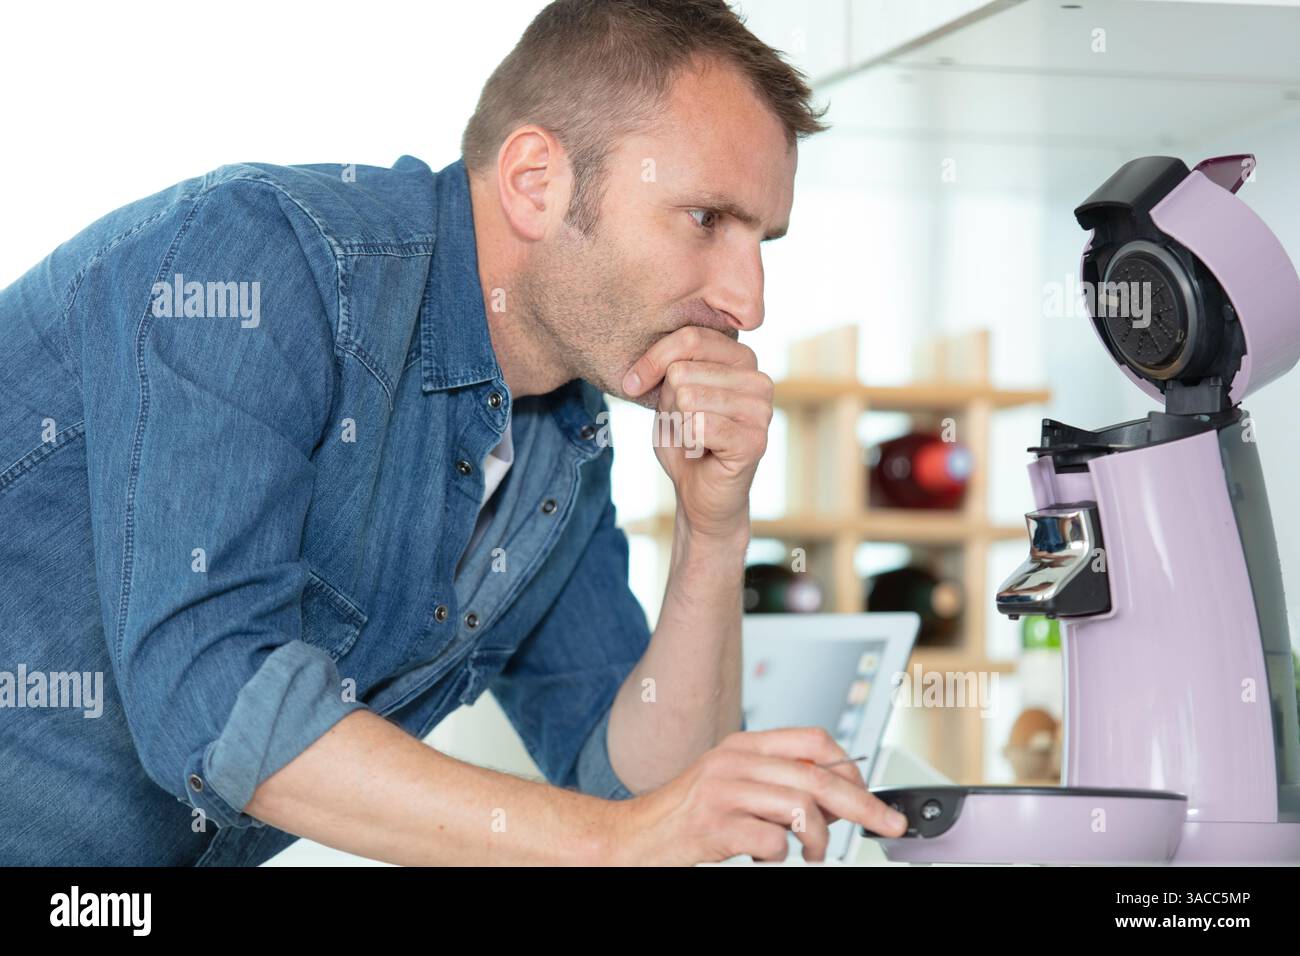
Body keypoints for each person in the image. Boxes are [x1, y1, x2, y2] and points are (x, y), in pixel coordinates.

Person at [0, 0, 908, 866]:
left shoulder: (561, 436)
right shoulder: (259, 261)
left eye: (762, 242)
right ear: (535, 183)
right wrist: (615, 841)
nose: (749, 302)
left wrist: (714, 530)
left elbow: (647, 797)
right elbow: (212, 698)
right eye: (706, 220)